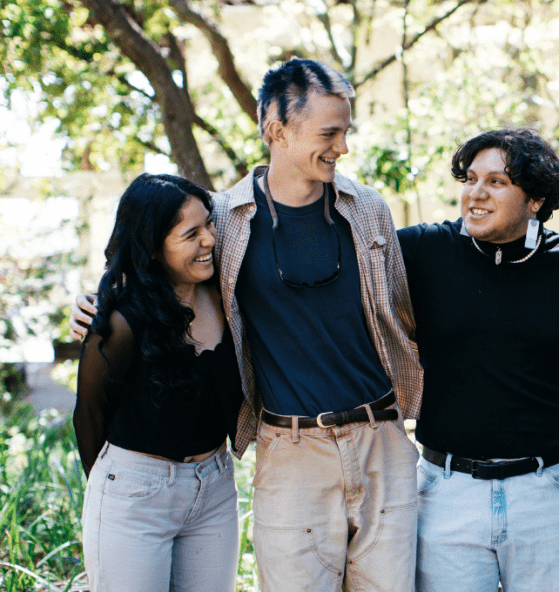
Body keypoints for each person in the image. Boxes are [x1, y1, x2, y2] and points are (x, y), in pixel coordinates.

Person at [72, 58, 423, 592]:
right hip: (290, 450)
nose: (343, 147)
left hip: (383, 441)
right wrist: (96, 304)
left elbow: (402, 309)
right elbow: (156, 264)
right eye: (330, 133)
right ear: (276, 130)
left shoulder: (368, 209)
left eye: (346, 131)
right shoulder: (224, 221)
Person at [397, 128, 559, 592]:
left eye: (496, 182)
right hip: (445, 491)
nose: (475, 194)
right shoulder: (424, 251)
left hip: (546, 496)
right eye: (470, 179)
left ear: (535, 199)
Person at [75, 173, 243, 591]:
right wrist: (118, 491)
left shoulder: (228, 296)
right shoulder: (122, 320)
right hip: (134, 496)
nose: (209, 240)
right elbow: (89, 413)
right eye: (191, 234)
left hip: (215, 490)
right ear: (153, 247)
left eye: (209, 225)